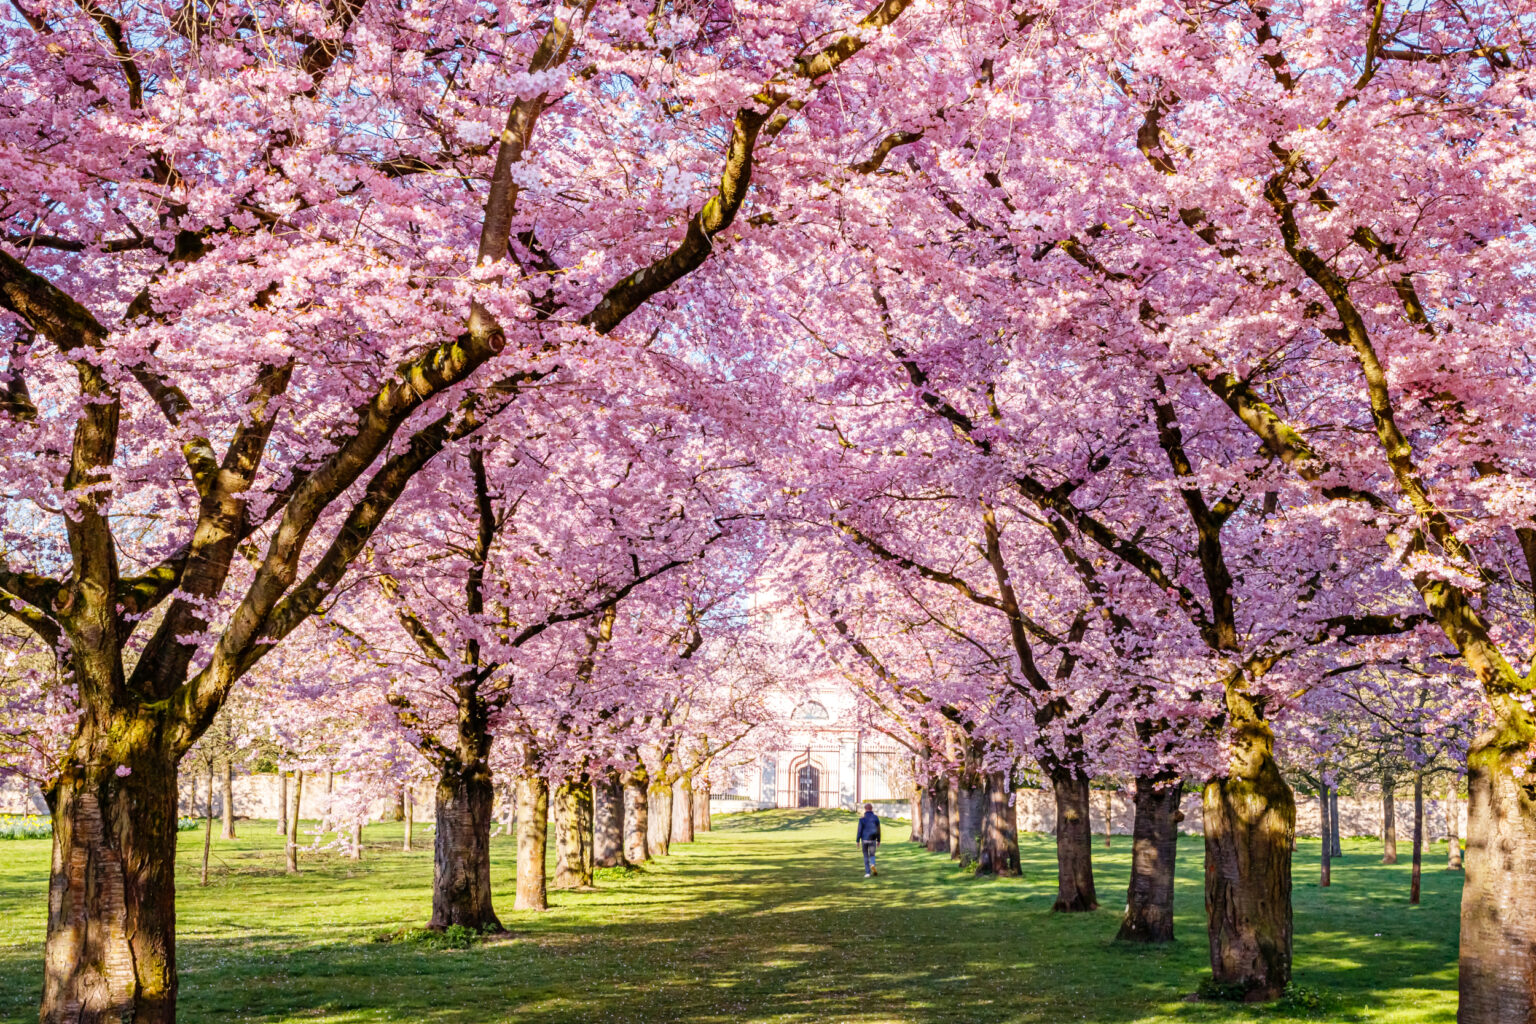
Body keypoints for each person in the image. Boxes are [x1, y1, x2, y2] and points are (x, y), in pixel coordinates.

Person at [856, 803, 881, 877]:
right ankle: (872, 864)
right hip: (873, 839)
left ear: (865, 809)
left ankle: (867, 873)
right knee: (872, 854)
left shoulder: (862, 819)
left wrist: (857, 841)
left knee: (865, 855)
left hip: (864, 840)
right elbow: (878, 830)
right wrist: (879, 840)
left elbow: (859, 830)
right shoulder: (876, 818)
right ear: (871, 809)